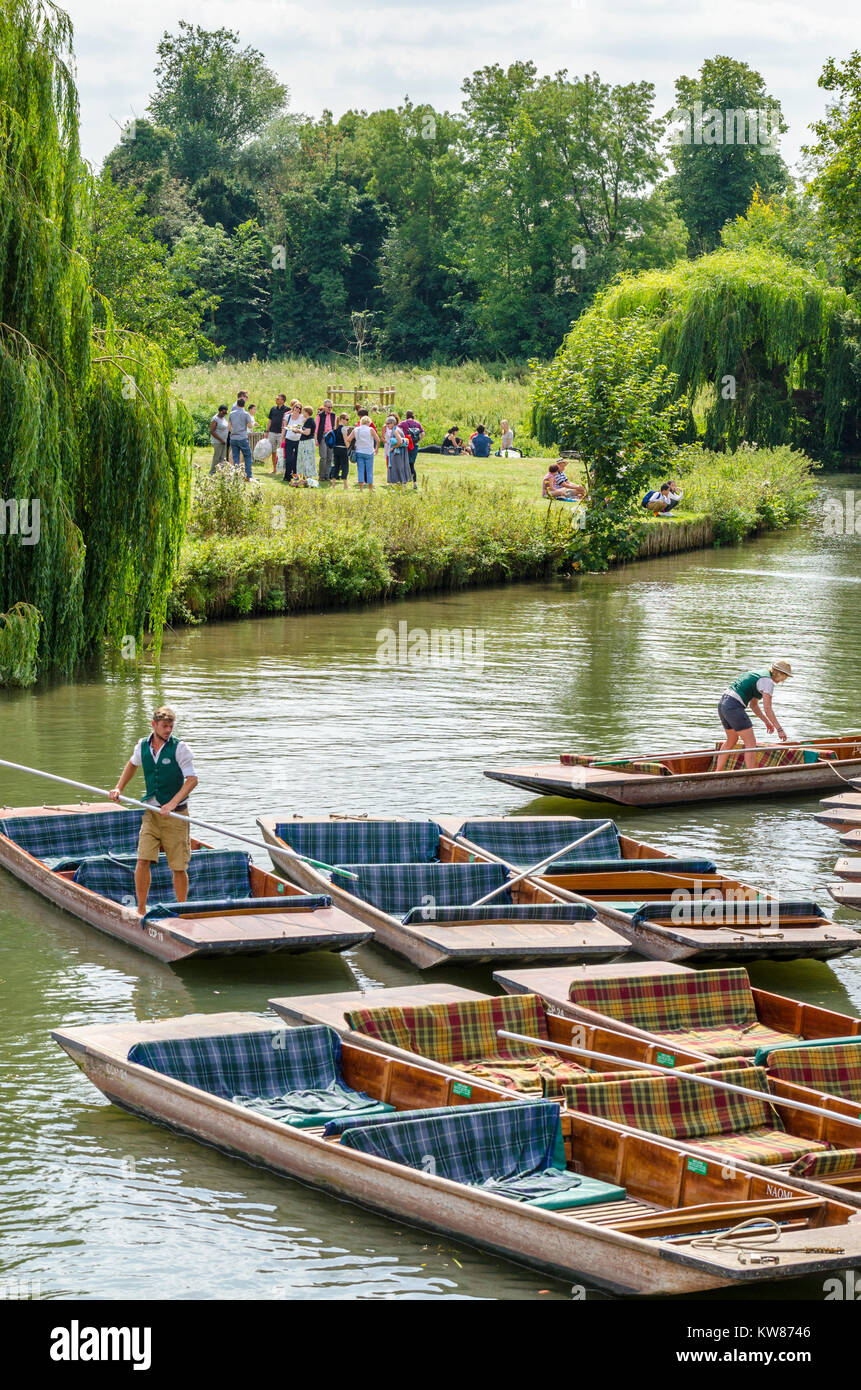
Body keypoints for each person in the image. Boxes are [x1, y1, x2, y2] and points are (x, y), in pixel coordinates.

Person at [108, 706, 198, 917]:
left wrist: (173, 804)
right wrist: (119, 787)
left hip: (176, 816)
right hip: (151, 814)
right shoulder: (142, 746)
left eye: (171, 726)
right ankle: (141, 909)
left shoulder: (180, 748)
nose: (168, 730)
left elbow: (192, 780)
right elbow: (131, 765)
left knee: (178, 866)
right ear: (154, 725)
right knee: (142, 860)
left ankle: (182, 910)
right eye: (164, 726)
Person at [714, 661, 793, 772]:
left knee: (731, 740)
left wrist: (766, 722)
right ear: (779, 674)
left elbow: (754, 705)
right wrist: (779, 729)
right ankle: (752, 776)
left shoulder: (760, 675)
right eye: (784, 677)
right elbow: (768, 708)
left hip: (723, 704)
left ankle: (717, 772)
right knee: (750, 744)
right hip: (734, 707)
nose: (783, 681)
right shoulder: (768, 682)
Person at [347, 412, 378, 490]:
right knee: (369, 470)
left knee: (360, 470)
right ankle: (370, 488)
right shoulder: (371, 429)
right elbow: (378, 439)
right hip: (369, 451)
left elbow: (348, 439)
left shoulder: (356, 429)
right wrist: (376, 449)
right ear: (369, 422)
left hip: (359, 451)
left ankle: (361, 488)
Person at [228, 396, 254, 480]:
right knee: (247, 456)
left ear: (237, 404)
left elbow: (229, 427)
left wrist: (233, 432)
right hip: (242, 437)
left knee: (235, 457)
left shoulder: (231, 414)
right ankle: (248, 475)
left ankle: (236, 474)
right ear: (244, 405)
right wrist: (252, 424)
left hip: (233, 438)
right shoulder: (246, 414)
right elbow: (250, 426)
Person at [398, 410, 424, 485]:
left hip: (406, 445)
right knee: (411, 464)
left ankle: (404, 483)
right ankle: (415, 483)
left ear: (406, 416)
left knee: (404, 464)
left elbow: (396, 430)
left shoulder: (403, 423)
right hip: (414, 446)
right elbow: (423, 433)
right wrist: (419, 441)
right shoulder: (417, 423)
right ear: (413, 416)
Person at [384, 415, 411, 485]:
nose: (387, 426)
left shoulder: (395, 431)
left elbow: (400, 441)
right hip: (402, 451)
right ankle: (402, 483)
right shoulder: (399, 429)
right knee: (401, 466)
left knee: (397, 466)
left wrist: (393, 447)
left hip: (397, 452)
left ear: (393, 423)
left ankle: (400, 483)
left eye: (388, 424)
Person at [316, 399, 337, 483]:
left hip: (330, 436)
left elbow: (334, 426)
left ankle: (327, 475)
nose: (330, 409)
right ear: (324, 407)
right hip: (322, 436)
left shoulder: (333, 415)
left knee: (329, 457)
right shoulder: (319, 415)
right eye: (328, 407)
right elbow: (316, 429)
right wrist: (316, 440)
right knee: (323, 456)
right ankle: (321, 475)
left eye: (331, 407)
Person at [282, 400, 303, 482]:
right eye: (296, 407)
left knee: (296, 459)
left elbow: (303, 427)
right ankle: (287, 476)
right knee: (288, 459)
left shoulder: (302, 417)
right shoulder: (288, 416)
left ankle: (295, 476)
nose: (297, 409)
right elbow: (285, 427)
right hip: (289, 439)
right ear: (293, 408)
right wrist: (282, 437)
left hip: (298, 439)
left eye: (299, 408)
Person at [267, 394, 288, 475]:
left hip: (281, 434)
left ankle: (282, 469)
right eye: (276, 399)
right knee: (273, 451)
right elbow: (269, 421)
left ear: (283, 401)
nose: (276, 400)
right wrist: (267, 431)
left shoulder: (287, 410)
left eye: (278, 399)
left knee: (281, 452)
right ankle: (274, 468)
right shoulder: (273, 409)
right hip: (272, 432)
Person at [330, 413, 351, 488]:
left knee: (336, 466)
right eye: (347, 419)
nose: (347, 421)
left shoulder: (335, 428)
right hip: (342, 449)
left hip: (335, 449)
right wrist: (349, 445)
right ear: (342, 419)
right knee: (345, 466)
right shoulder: (343, 428)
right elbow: (346, 441)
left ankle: (333, 485)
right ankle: (345, 485)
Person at [297, 406, 318, 482]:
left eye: (303, 412)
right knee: (303, 459)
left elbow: (307, 432)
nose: (302, 413)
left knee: (307, 459)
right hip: (305, 441)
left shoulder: (310, 421)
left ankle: (308, 476)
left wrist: (299, 431)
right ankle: (304, 476)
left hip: (307, 442)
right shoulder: (308, 420)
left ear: (306, 412)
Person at [209, 405, 229, 473]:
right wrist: (221, 440)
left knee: (222, 458)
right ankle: (212, 472)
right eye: (223, 413)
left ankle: (220, 472)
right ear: (220, 411)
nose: (225, 414)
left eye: (226, 413)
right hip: (217, 441)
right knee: (216, 458)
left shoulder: (223, 418)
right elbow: (212, 431)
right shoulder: (215, 419)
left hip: (224, 441)